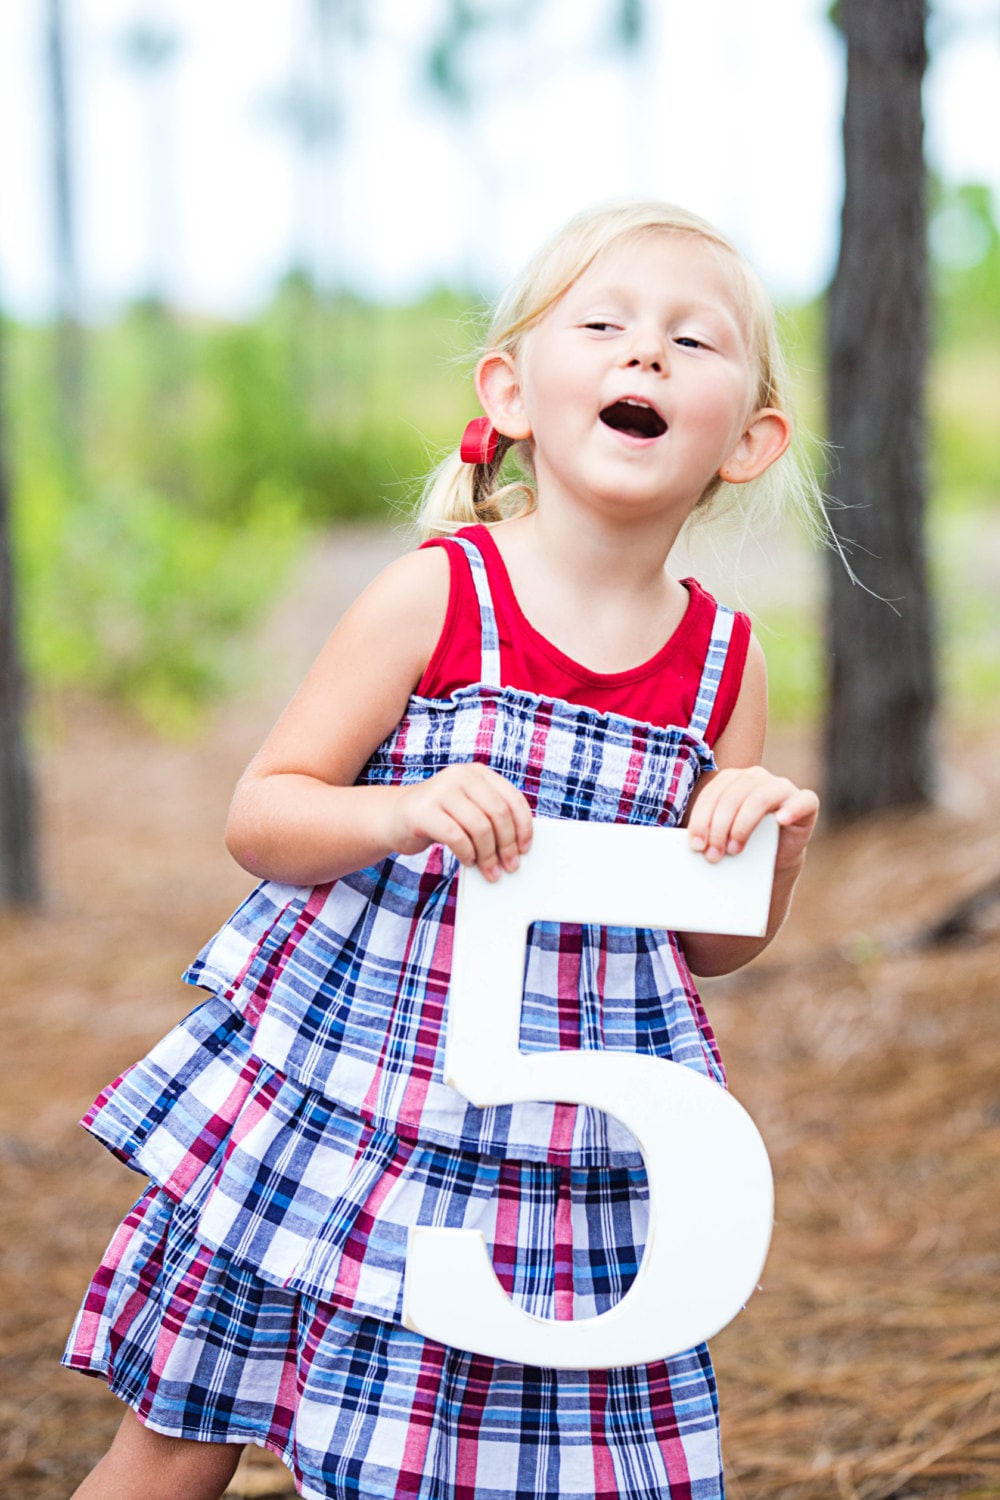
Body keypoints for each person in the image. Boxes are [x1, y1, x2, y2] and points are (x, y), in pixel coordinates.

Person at [64, 199, 820, 1500]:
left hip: (554, 1149)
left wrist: (767, 845)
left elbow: (710, 945)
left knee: (468, 1453)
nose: (645, 356)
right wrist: (398, 812)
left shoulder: (721, 663)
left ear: (749, 439)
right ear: (511, 390)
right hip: (354, 1101)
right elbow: (266, 810)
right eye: (605, 325)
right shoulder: (439, 596)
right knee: (183, 1441)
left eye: (692, 343)